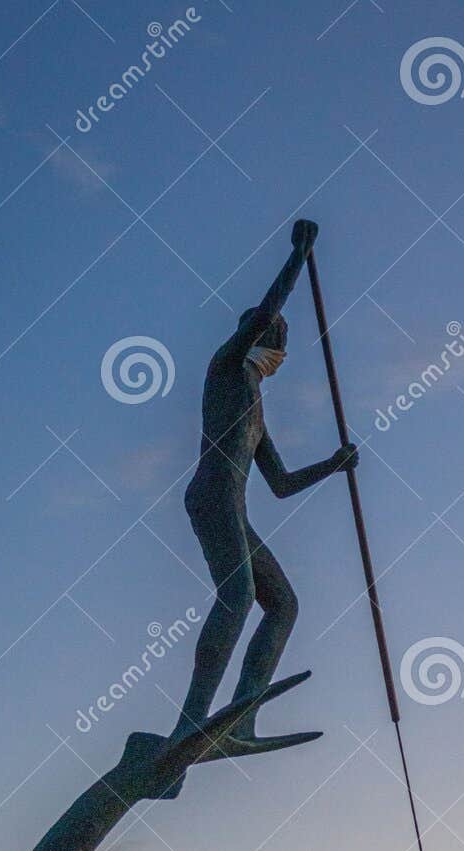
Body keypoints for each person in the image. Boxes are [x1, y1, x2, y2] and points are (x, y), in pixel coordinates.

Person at [170, 218, 358, 757]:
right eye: (278, 344)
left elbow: (279, 483)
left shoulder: (256, 405)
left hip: (234, 506)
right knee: (238, 595)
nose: (280, 358)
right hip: (211, 497)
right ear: (264, 339)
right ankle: (190, 721)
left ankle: (239, 721)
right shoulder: (227, 368)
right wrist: (300, 252)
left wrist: (334, 464)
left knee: (283, 605)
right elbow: (271, 305)